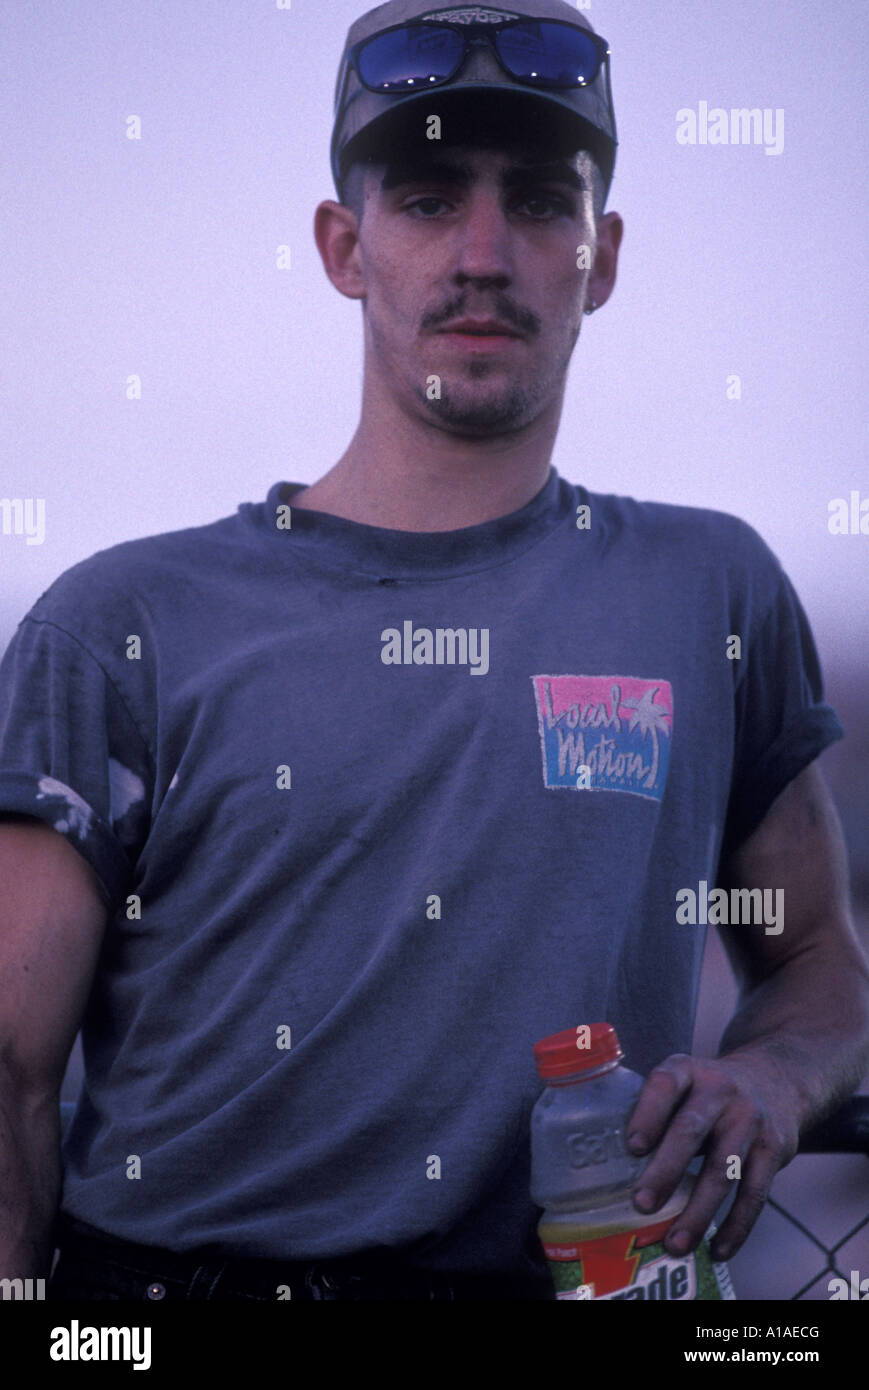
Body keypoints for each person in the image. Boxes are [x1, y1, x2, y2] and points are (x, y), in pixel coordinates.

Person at [1, 0, 867, 1303]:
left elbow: (814, 957)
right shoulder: (119, 622)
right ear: (343, 246)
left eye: (535, 202)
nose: (482, 252)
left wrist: (773, 1074)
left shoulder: (708, 591)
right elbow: (11, 1070)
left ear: (602, 256)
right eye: (422, 198)